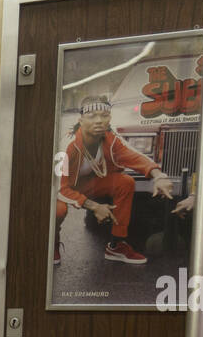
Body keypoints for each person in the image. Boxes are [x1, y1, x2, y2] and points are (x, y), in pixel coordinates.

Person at [56, 96, 174, 265]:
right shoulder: (67, 143)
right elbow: (58, 188)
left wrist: (159, 176)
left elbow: (133, 155)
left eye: (104, 115)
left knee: (125, 182)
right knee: (58, 210)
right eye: (92, 116)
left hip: (85, 184)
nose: (99, 121)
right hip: (58, 188)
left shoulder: (109, 137)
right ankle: (52, 243)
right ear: (80, 120)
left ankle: (116, 245)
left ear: (109, 118)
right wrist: (94, 206)